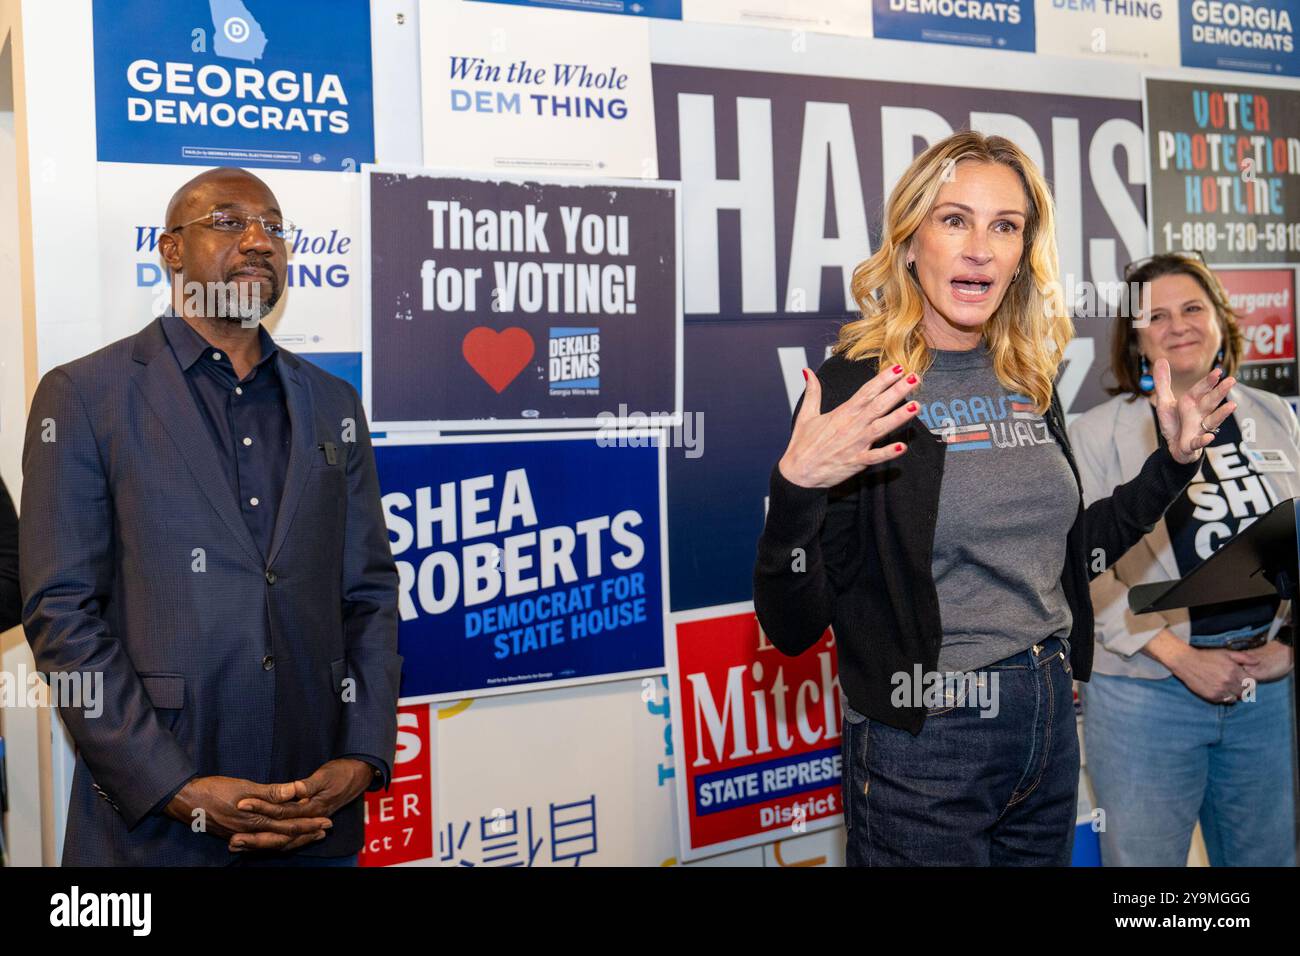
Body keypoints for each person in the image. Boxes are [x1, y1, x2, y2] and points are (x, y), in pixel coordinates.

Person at [753, 130, 1235, 866]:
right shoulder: (856, 386)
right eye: (955, 219)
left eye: (1004, 226)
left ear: (1021, 255)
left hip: (1045, 722)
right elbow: (792, 627)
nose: (980, 247)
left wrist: (1170, 465)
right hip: (925, 740)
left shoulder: (1025, 378)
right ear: (911, 242)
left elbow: (1072, 556)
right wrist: (794, 490)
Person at [20, 166, 402, 866]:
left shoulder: (333, 403)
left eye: (274, 227)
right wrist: (175, 787)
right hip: (153, 823)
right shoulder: (84, 395)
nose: (258, 240)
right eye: (228, 221)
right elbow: (62, 613)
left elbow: (370, 595)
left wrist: (363, 756)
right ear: (171, 250)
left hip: (314, 813)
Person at [1069, 252, 1297, 866]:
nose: (1178, 325)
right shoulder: (1096, 434)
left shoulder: (1274, 415)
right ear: (1136, 338)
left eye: (1192, 307)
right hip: (1148, 696)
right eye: (1157, 315)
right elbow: (1082, 566)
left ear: (1220, 318)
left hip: (1265, 688)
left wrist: (1290, 646)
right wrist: (1178, 657)